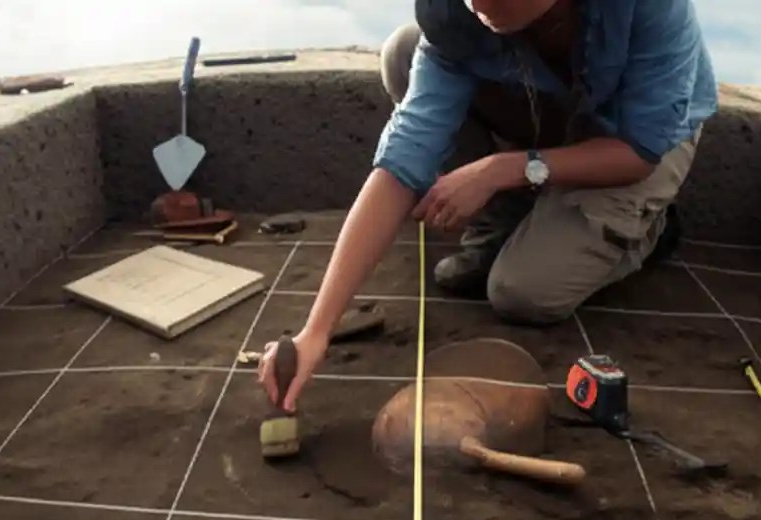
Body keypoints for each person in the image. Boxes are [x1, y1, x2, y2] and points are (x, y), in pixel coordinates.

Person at [259, 0, 717, 412]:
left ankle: (646, 229)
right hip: (552, 114)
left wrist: (503, 170)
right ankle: (510, 218)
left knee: (523, 294)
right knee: (404, 51)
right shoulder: (458, 19)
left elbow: (639, 151)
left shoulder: (653, 8)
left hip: (637, 141)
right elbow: (402, 163)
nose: (478, 7)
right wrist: (315, 331)